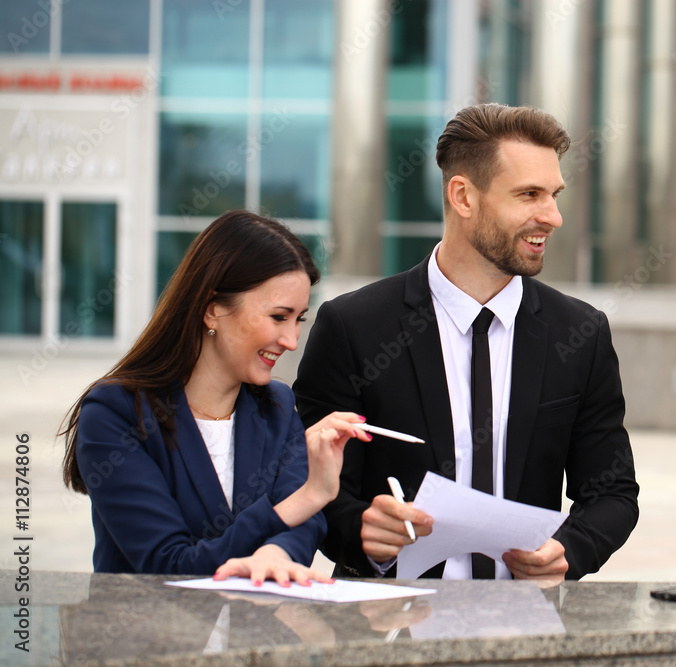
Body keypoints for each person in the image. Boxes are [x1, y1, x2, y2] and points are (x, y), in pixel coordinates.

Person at [294, 103, 639, 582]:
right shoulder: (353, 326)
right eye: (529, 195)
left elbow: (613, 493)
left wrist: (568, 551)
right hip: (388, 632)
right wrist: (363, 533)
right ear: (463, 196)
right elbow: (311, 490)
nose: (553, 216)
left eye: (554, 194)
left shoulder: (580, 333)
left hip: (523, 630)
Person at [61, 210, 371, 585]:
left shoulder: (277, 407)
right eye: (278, 317)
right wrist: (307, 497)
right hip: (148, 640)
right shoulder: (115, 412)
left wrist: (275, 553)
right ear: (212, 310)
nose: (291, 341)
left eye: (299, 319)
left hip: (251, 638)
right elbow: (170, 566)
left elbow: (301, 528)